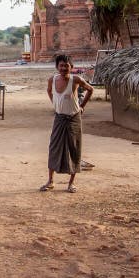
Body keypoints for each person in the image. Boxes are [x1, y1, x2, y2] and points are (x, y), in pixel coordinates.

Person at [40, 54, 93, 193]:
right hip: (59, 118)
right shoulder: (52, 79)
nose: (63, 68)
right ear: (57, 67)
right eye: (61, 65)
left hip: (74, 119)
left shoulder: (76, 80)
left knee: (74, 149)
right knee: (54, 148)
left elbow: (90, 89)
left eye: (66, 65)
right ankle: (50, 181)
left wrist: (82, 106)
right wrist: (55, 104)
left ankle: (71, 184)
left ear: (71, 67)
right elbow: (49, 91)